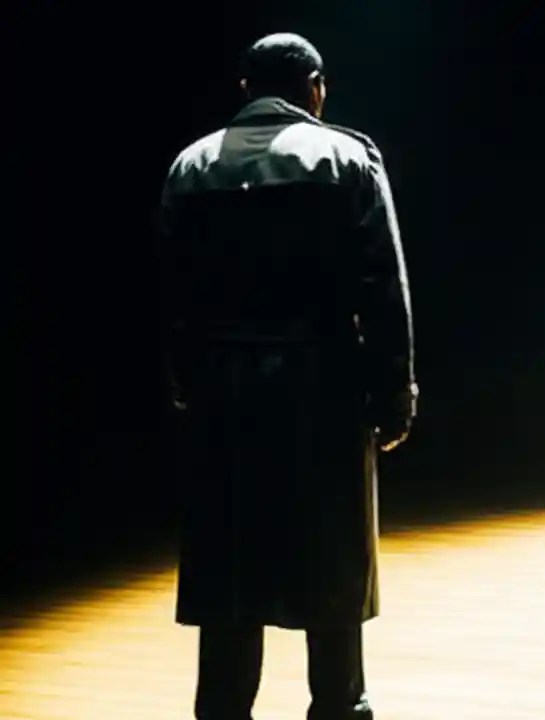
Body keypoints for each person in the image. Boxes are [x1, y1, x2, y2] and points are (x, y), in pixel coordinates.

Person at [156, 32, 416, 719]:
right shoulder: (348, 160)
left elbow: (171, 293)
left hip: (223, 397)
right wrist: (395, 394)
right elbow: (383, 288)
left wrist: (186, 380)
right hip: (323, 391)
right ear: (315, 89)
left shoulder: (190, 167)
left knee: (228, 584)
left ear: (246, 89)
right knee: (333, 583)